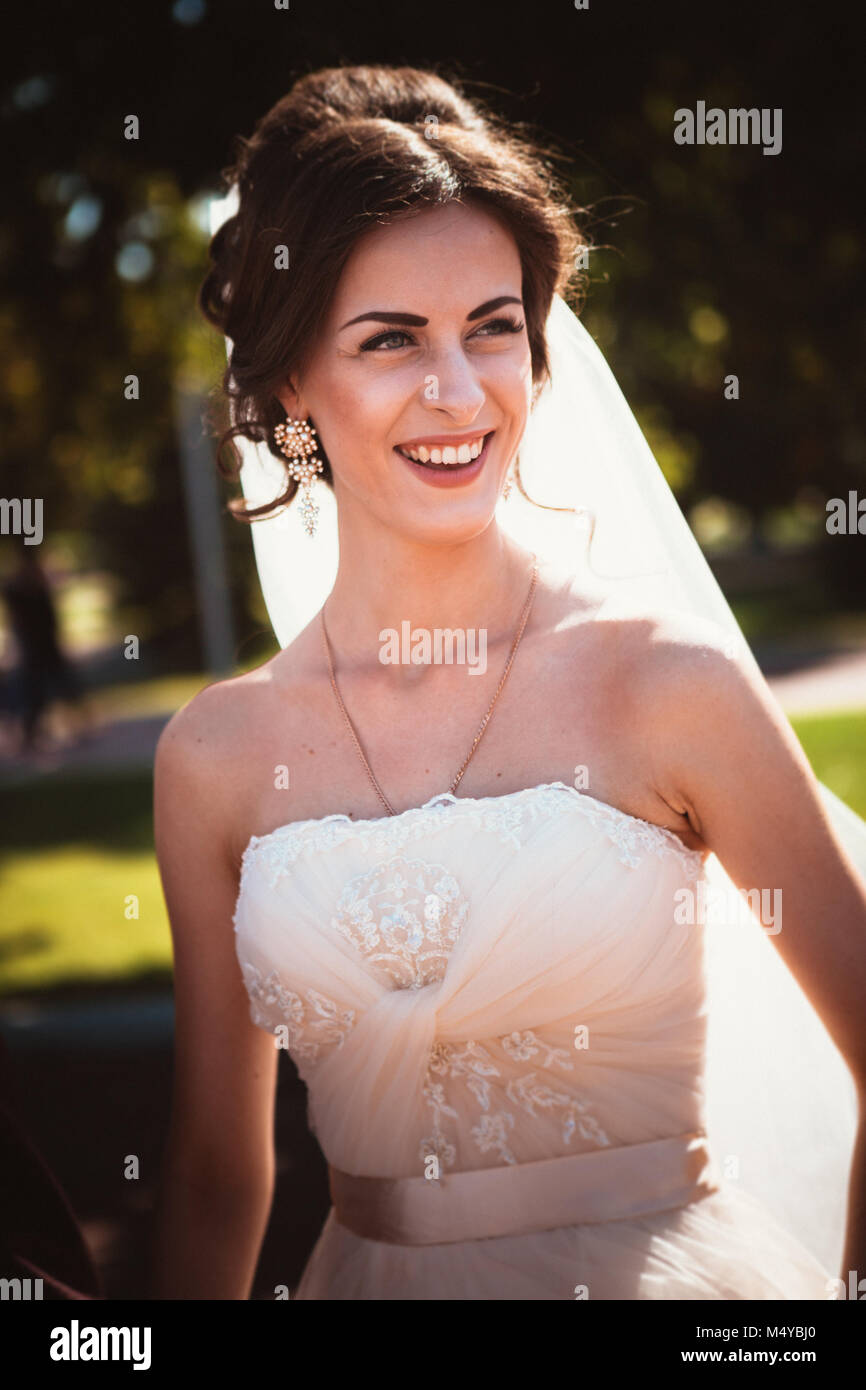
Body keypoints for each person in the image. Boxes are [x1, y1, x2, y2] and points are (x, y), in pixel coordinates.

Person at [150, 65, 866, 1300]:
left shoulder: (667, 685)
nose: (457, 389)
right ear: (285, 388)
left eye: (491, 324)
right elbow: (220, 1173)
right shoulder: (215, 757)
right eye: (388, 340)